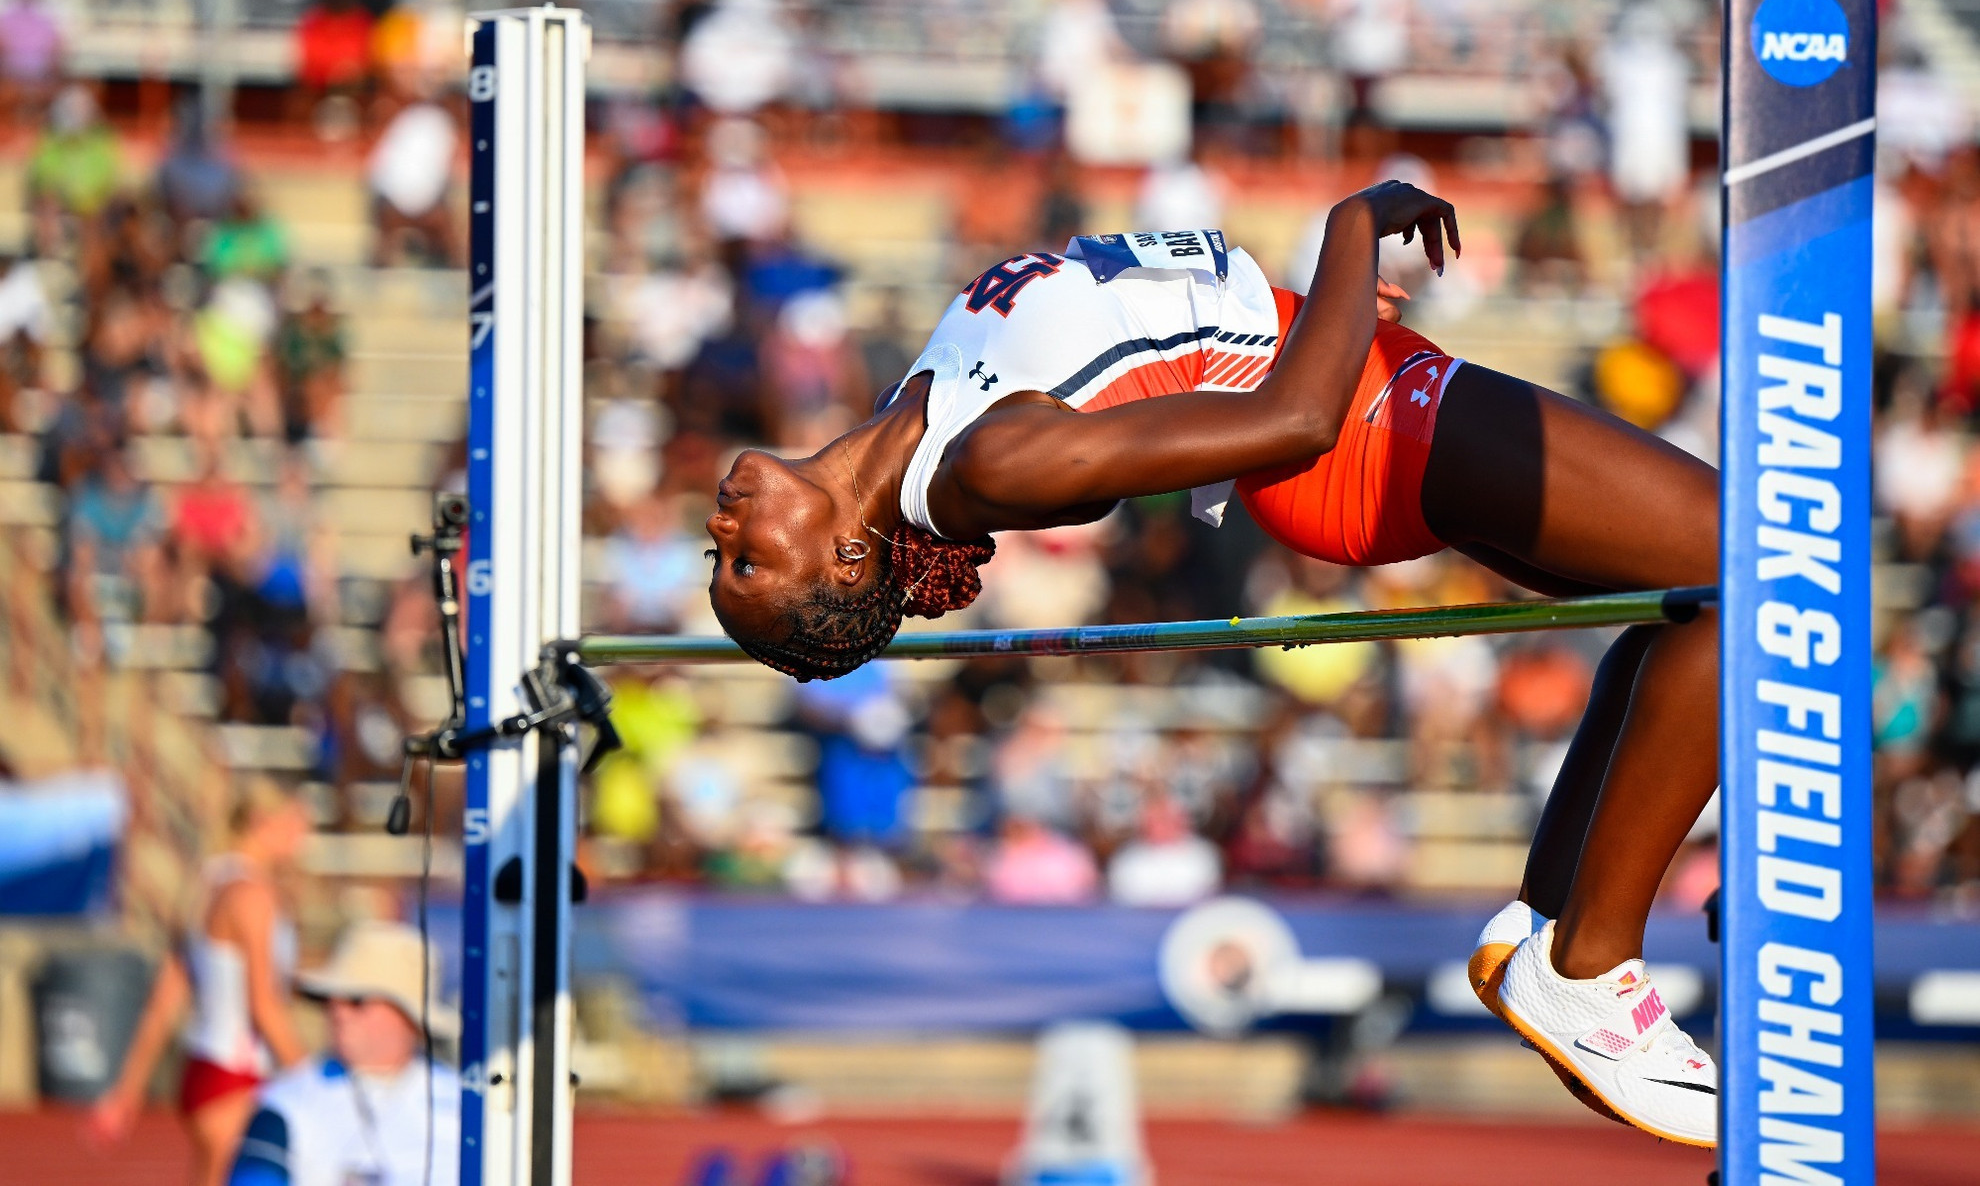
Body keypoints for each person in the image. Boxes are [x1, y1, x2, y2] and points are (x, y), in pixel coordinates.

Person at [703, 182, 1720, 1146]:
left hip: (1348, 381)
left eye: (722, 552)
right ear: (843, 556)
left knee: (1686, 605)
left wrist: (1293, 310)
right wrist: (1351, 227)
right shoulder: (993, 463)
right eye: (748, 560)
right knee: (1748, 572)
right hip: (1355, 438)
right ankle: (1590, 966)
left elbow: (1162, 337)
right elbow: (1292, 422)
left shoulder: (910, 411)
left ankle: (1546, 928)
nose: (723, 522)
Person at [91, 778, 313, 1186]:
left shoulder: (205, 884)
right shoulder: (252, 895)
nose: (306, 834)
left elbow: (165, 998)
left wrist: (127, 1091)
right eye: (297, 821)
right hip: (239, 1073)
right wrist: (312, 1081)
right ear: (264, 820)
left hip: (201, 1068)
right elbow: (263, 1005)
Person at [226, 920, 460, 1186]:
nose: (337, 1011)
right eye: (329, 999)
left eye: (356, 1000)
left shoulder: (467, 1104)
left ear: (410, 1018)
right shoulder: (288, 1101)